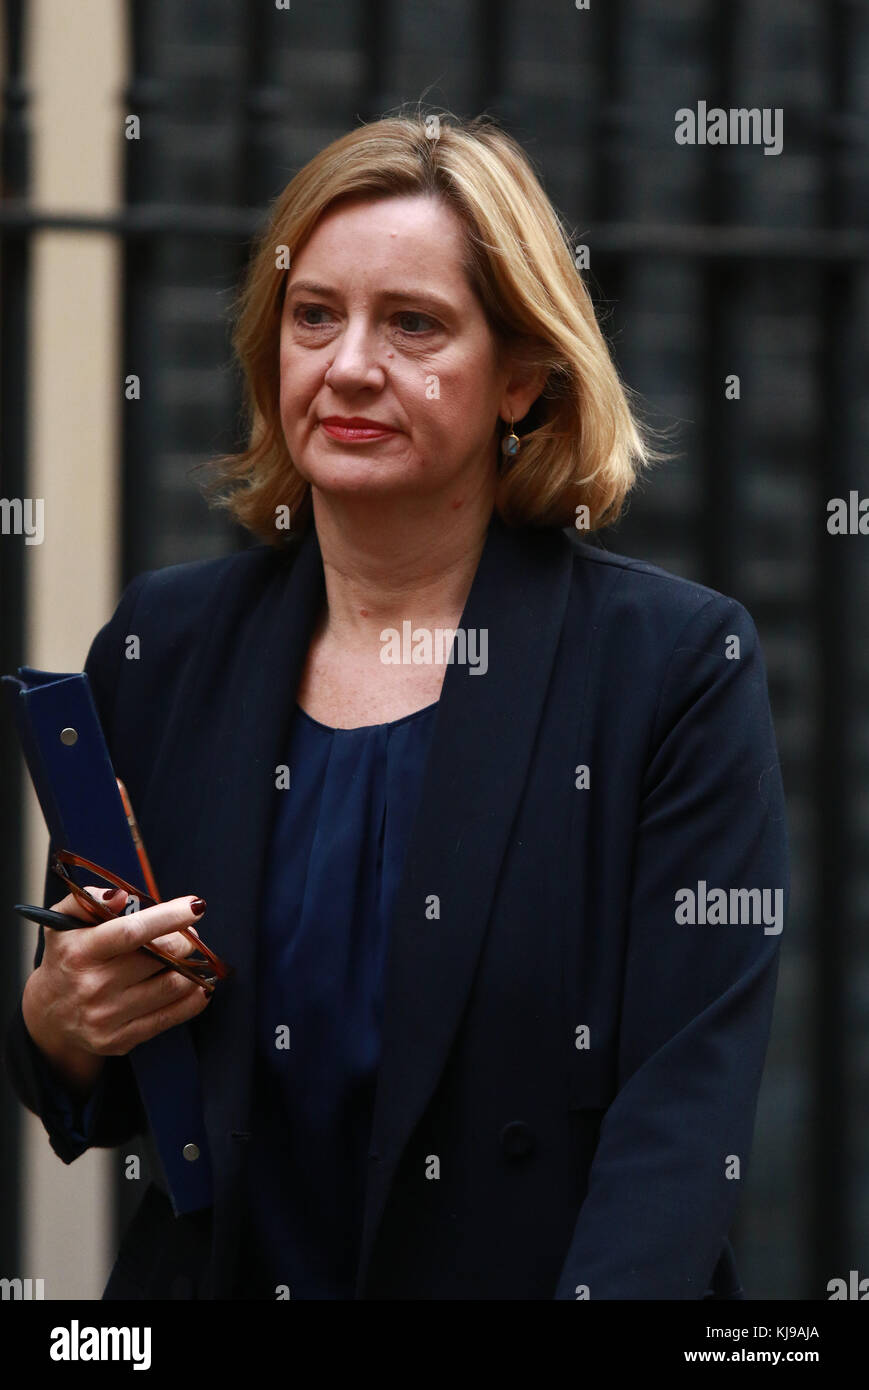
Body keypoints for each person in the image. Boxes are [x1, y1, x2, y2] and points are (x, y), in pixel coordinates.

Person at [4, 112, 788, 1300]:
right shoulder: (165, 647)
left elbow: (681, 1117)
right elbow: (97, 1082)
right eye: (314, 315)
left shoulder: (670, 667)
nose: (350, 364)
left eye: (412, 322)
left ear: (520, 377)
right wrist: (60, 1017)